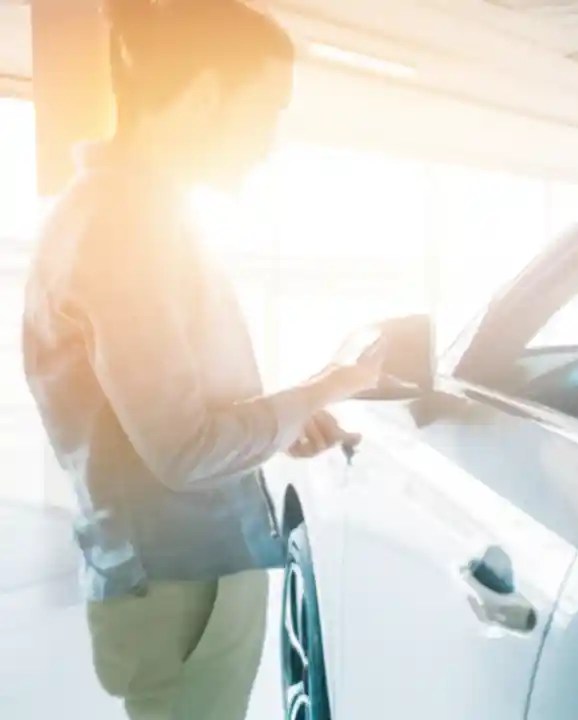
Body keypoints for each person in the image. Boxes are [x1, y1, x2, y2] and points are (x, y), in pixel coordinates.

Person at [22, 2, 381, 718]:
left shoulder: (132, 213)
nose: (269, 141)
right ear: (207, 96)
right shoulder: (122, 226)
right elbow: (185, 452)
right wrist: (330, 384)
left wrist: (286, 419)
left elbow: (177, 414)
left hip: (183, 583)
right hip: (185, 590)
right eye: (267, 109)